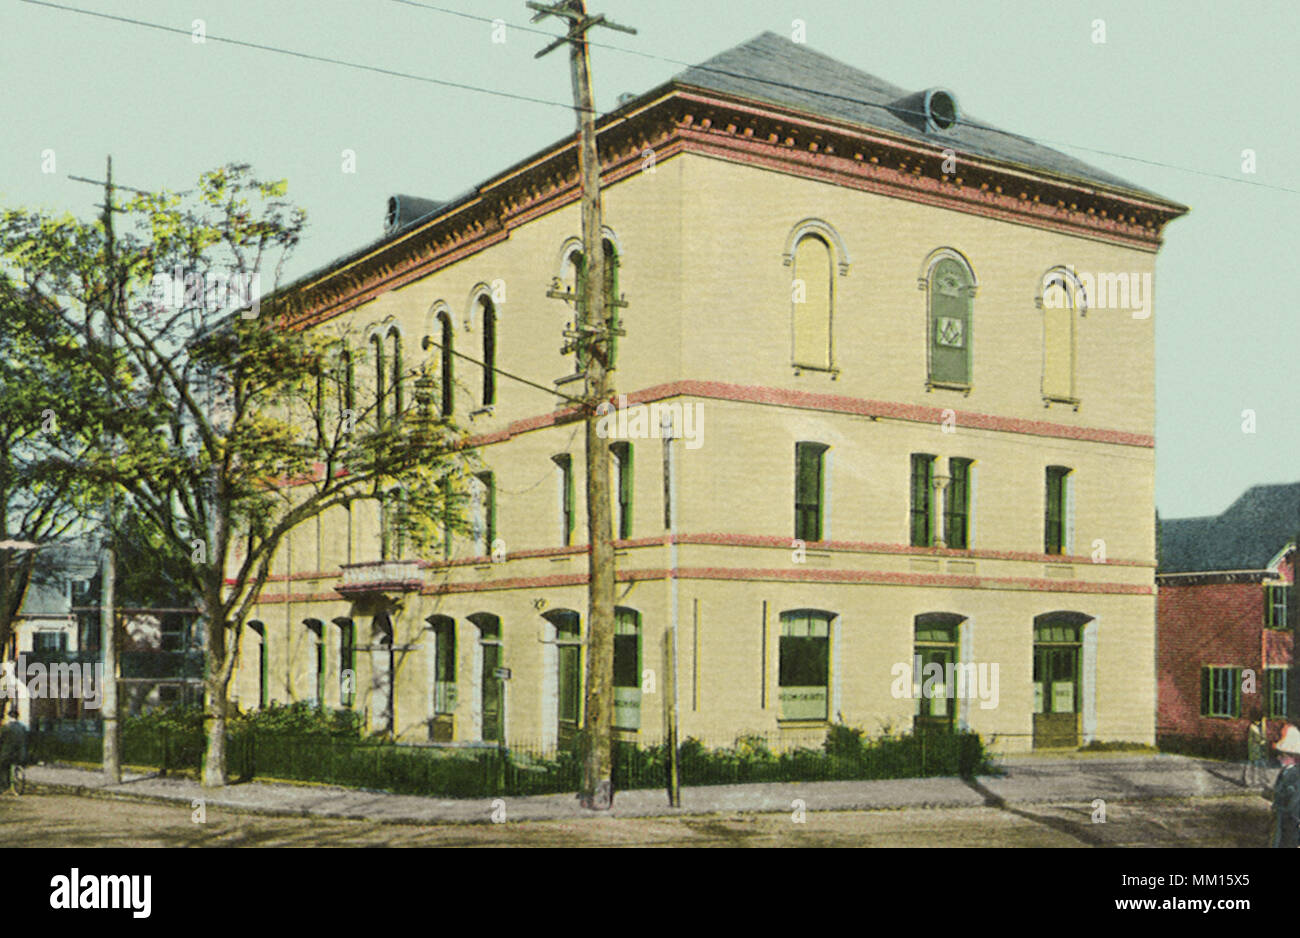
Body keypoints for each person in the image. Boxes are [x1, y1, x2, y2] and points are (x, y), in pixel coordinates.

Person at [1268, 723, 1300, 847]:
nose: (1279, 758)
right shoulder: (1284, 772)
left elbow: (1295, 802)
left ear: (1294, 757)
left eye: (1283, 755)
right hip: (1281, 819)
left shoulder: (1297, 775)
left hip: (1292, 822)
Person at [0, 708, 29, 795]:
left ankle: (4, 786)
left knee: (2, 766)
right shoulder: (23, 727)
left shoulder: (5, 728)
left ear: (9, 716)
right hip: (21, 754)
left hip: (8, 755)